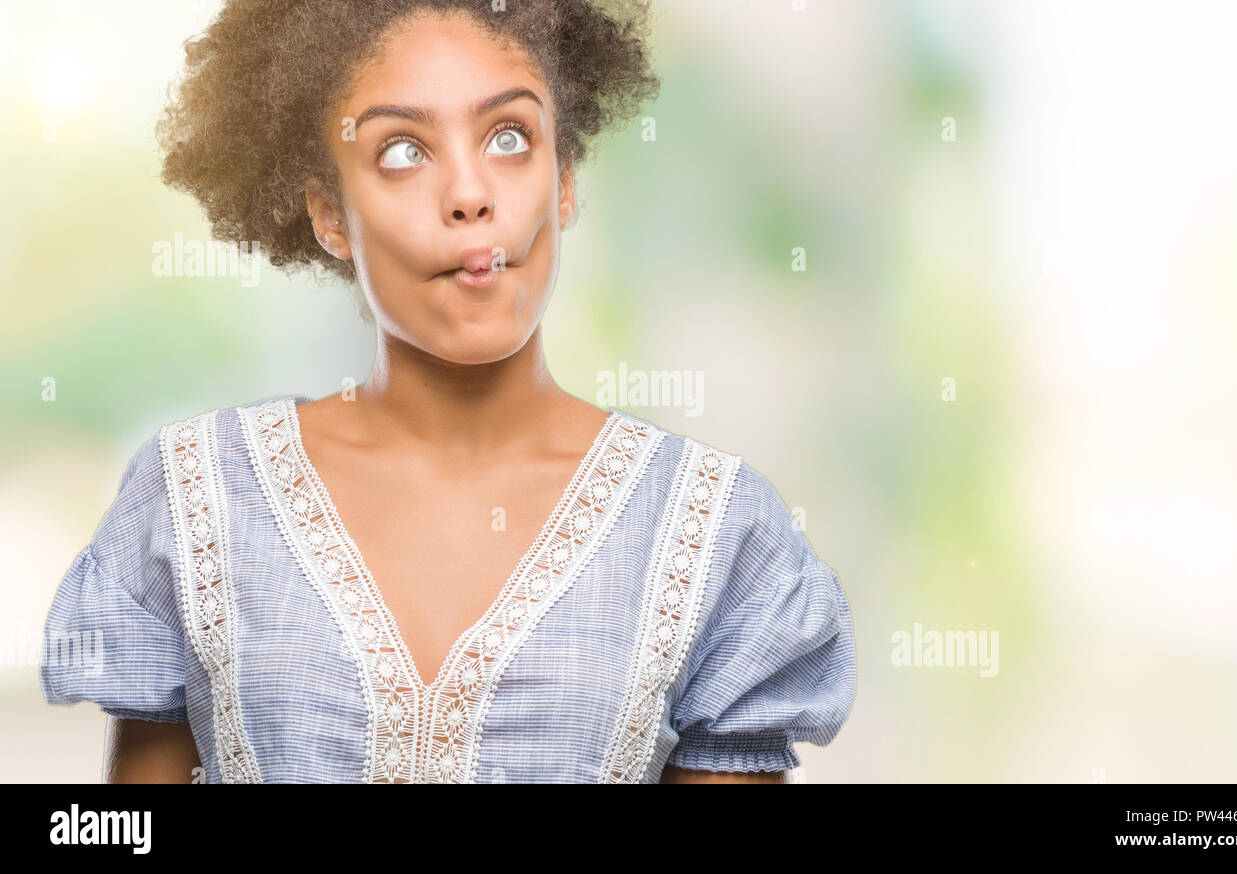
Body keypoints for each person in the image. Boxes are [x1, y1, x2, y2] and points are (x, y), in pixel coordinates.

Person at [39, 0, 857, 784]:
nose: (470, 195)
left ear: (565, 180)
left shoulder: (720, 534)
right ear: (328, 213)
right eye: (402, 150)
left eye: (509, 136)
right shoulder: (193, 500)